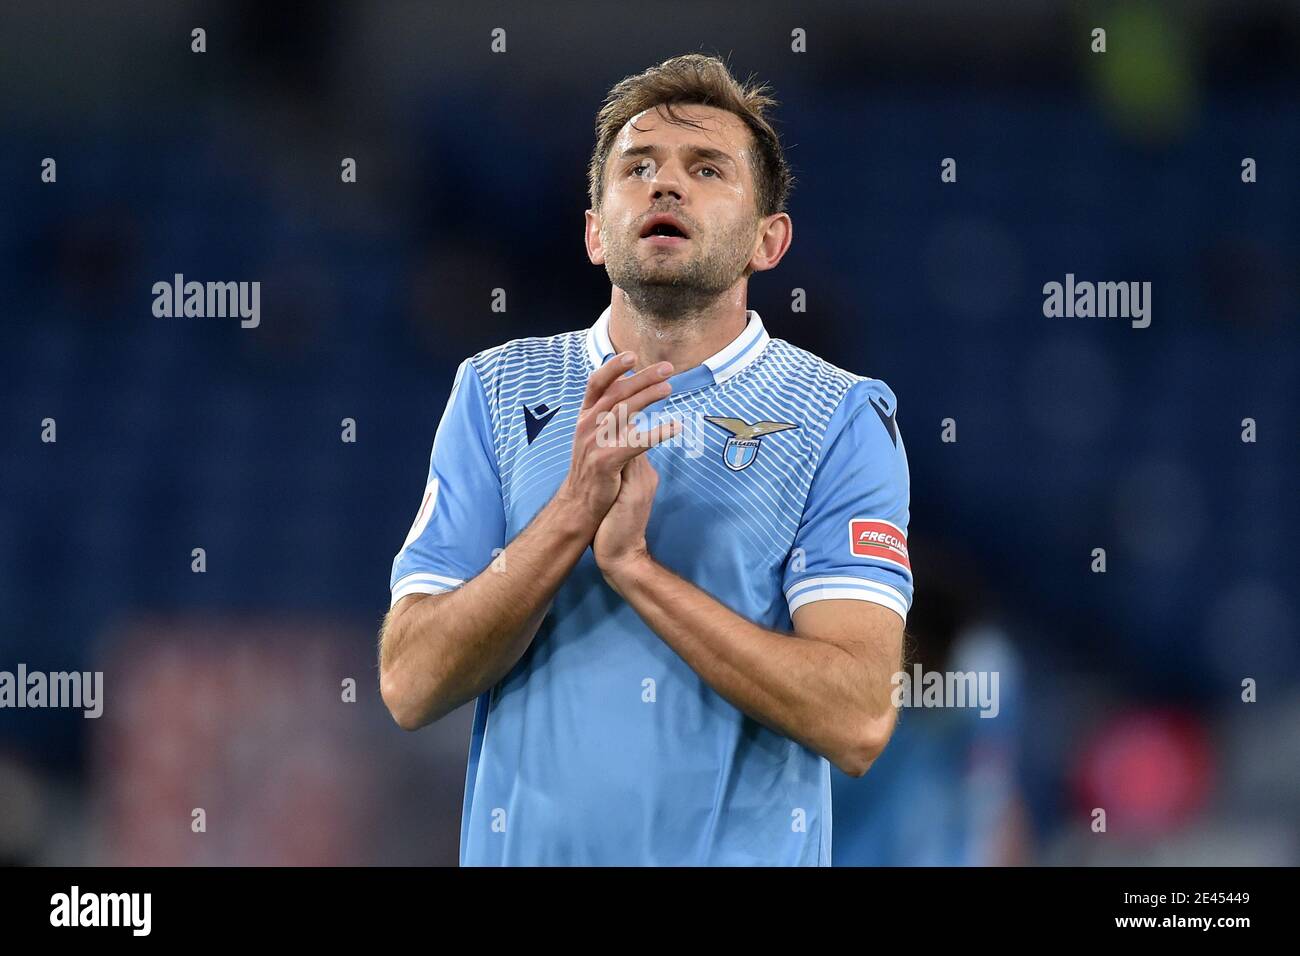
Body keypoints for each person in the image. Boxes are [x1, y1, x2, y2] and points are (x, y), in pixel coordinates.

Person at [379, 53, 912, 865]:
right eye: (638, 168)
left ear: (769, 241)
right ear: (595, 231)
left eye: (707, 169)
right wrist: (571, 517)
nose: (667, 187)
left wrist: (637, 570)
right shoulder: (493, 389)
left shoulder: (838, 417)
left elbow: (858, 719)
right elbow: (411, 683)